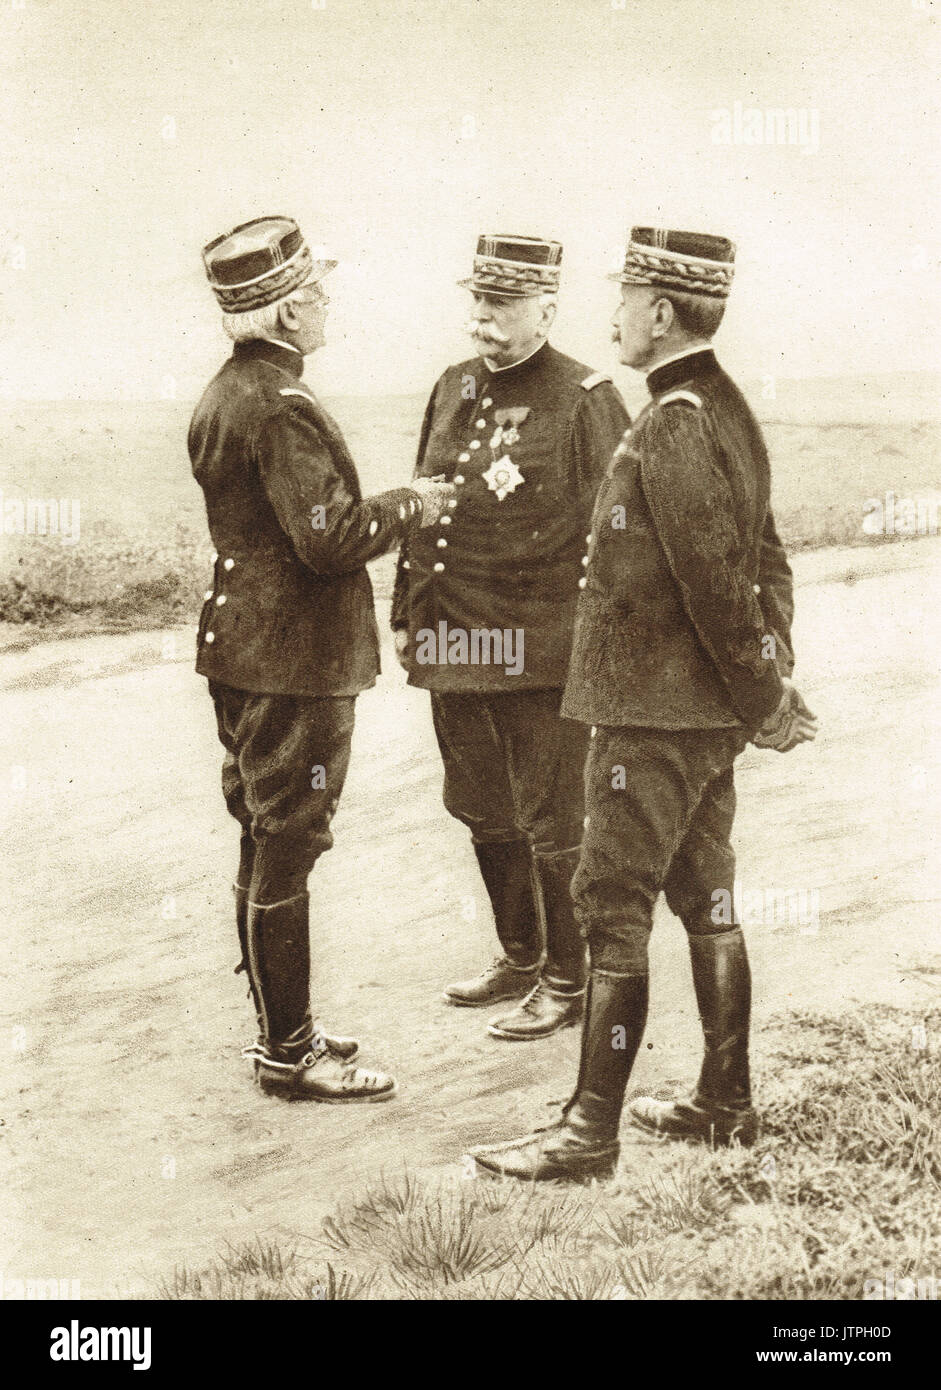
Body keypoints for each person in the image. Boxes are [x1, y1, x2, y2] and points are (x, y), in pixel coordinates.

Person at [471, 226, 817, 1179]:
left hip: (650, 720)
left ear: (661, 313)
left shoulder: (671, 420)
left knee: (609, 908)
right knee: (708, 896)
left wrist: (765, 698)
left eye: (624, 297)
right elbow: (767, 563)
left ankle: (587, 1134)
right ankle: (724, 1100)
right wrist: (765, 680)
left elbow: (716, 580)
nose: (613, 314)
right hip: (697, 720)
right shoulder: (725, 406)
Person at [190, 215, 452, 1101]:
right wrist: (412, 503)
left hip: (242, 650)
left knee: (263, 835)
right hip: (293, 660)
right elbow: (330, 540)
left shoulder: (227, 395)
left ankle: (281, 1025)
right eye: (318, 293)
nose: (327, 303)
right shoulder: (279, 407)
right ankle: (289, 1054)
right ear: (288, 310)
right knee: (288, 841)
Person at [391, 234, 630, 1040]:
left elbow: (617, 534)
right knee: (481, 808)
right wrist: (406, 611)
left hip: (538, 649)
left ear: (546, 310)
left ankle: (569, 978)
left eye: (500, 306)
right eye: (477, 303)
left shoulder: (584, 395)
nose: (482, 320)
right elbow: (426, 506)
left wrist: (603, 647)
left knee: (553, 817)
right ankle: (520, 956)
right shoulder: (451, 384)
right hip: (454, 641)